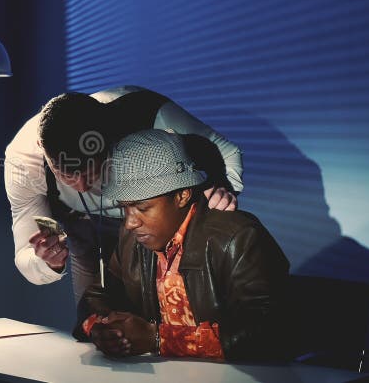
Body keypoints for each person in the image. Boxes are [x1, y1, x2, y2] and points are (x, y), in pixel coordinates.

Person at [4, 86, 243, 303]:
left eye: (92, 171)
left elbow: (227, 152)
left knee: (171, 315)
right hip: (82, 231)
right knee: (94, 325)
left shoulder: (146, 114)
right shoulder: (23, 160)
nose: (82, 186)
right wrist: (45, 262)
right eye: (66, 176)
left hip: (153, 225)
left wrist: (222, 186)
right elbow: (24, 255)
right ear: (40, 147)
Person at [76, 129, 289, 361]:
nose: (129, 222)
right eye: (124, 208)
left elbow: (273, 331)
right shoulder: (130, 239)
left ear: (183, 196)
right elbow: (96, 297)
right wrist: (100, 329)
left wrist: (157, 339)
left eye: (142, 208)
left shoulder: (239, 237)